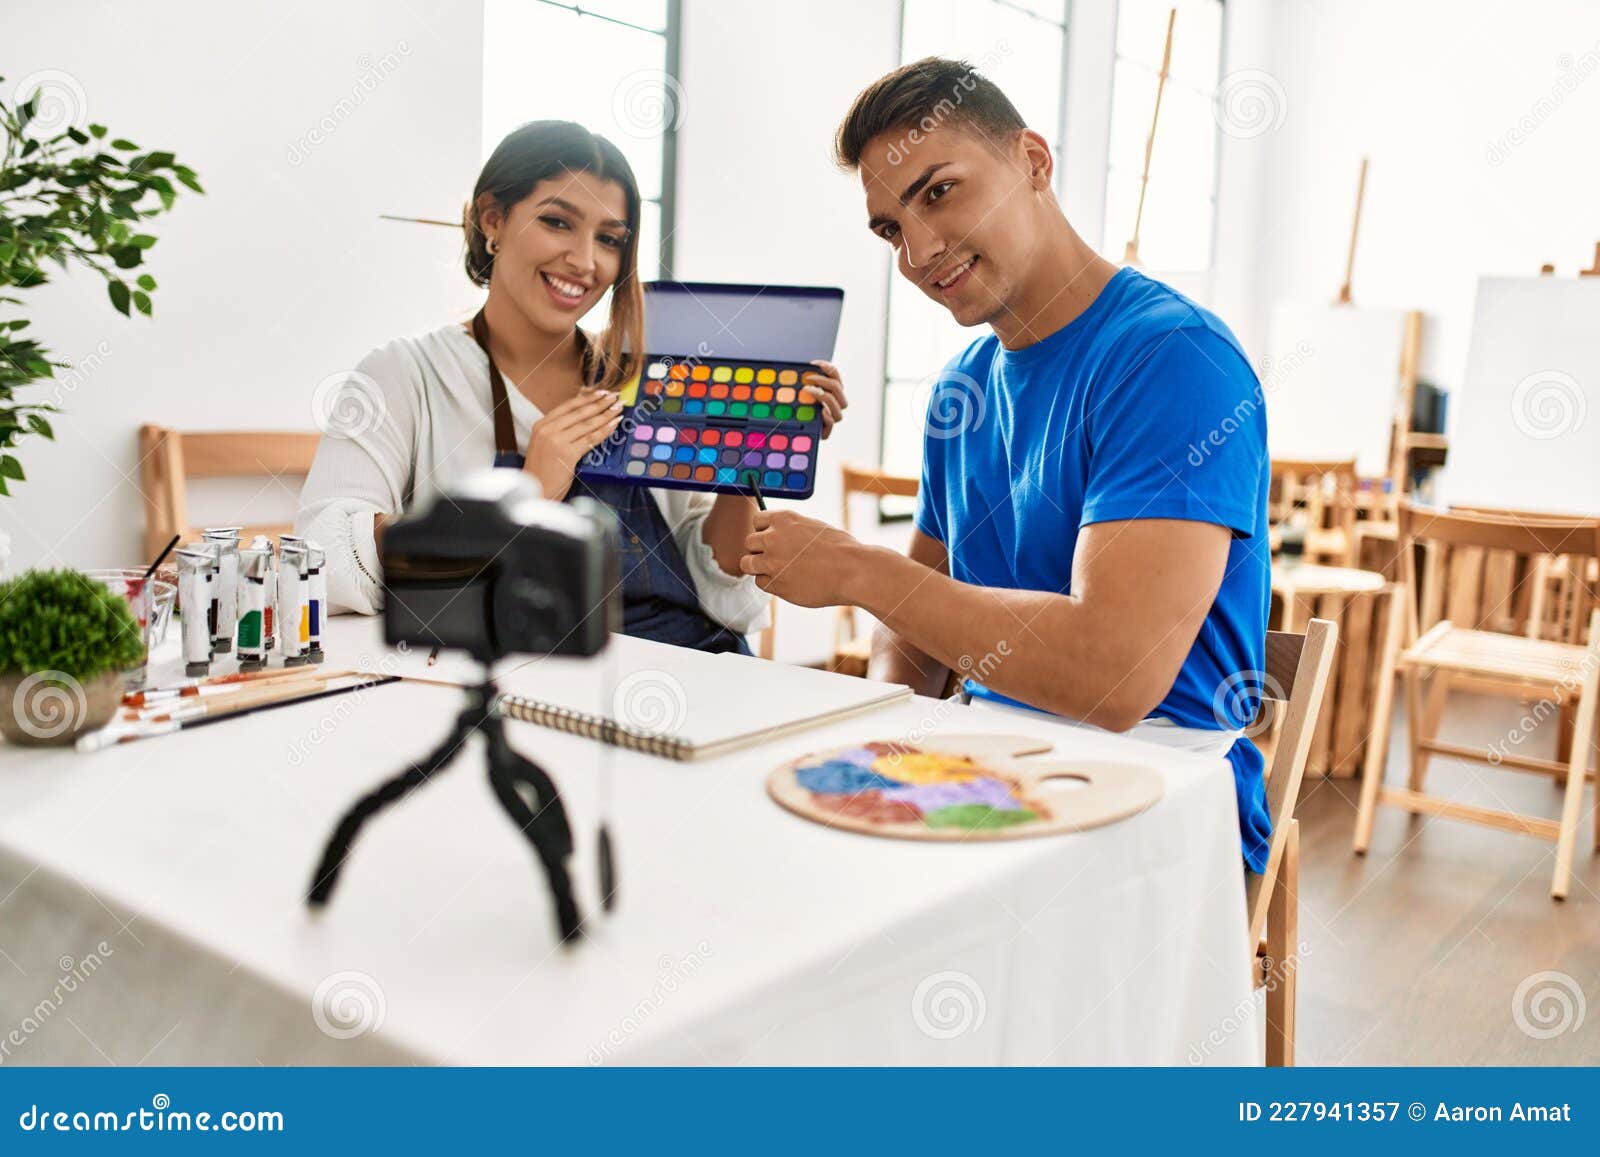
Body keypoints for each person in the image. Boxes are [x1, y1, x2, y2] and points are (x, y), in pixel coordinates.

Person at [739, 59, 1273, 868]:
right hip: (985, 767)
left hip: (1161, 796)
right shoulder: (961, 390)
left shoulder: (1173, 358)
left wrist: (857, 569)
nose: (917, 250)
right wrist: (885, 744)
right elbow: (915, 643)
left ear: (1032, 161)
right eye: (890, 228)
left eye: (938, 191)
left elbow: (1114, 677)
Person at [295, 120, 848, 654]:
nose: (585, 262)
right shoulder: (404, 374)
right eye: (557, 222)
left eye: (609, 239)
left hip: (695, 668)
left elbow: (723, 589)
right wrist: (527, 493)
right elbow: (324, 557)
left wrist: (746, 449)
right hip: (523, 682)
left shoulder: (643, 380)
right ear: (493, 219)